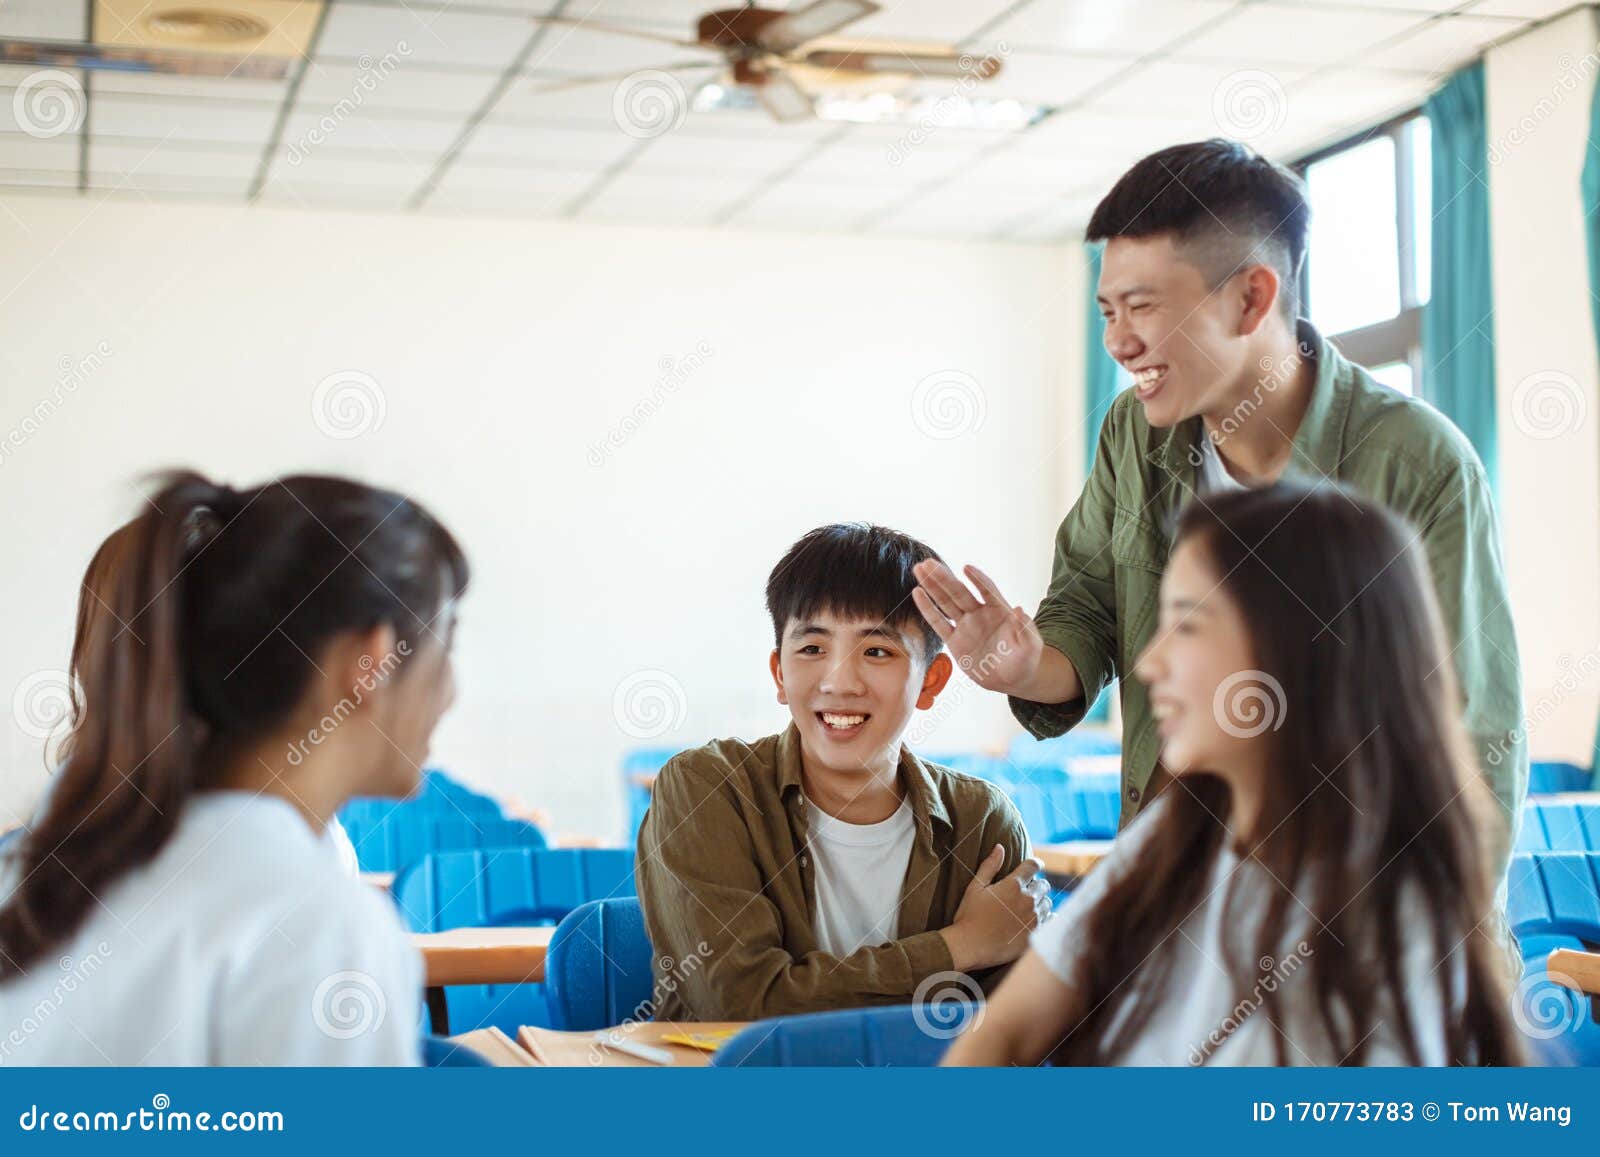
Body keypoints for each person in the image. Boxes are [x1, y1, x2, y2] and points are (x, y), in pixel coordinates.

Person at [914, 139, 1524, 872]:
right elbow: (1090, 609)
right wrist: (1024, 666)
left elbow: (1472, 737)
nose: (1118, 341)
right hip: (1180, 892)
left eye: (1142, 307)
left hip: (1352, 909)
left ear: (1251, 298)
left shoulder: (1415, 462)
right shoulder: (1134, 433)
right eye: (1107, 310)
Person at [943, 485, 1523, 1066]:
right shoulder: (1174, 835)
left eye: (1188, 626)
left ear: (1299, 645)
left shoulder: (1398, 924)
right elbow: (1002, 1037)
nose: (1148, 663)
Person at [0, 470, 467, 1064]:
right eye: (442, 644)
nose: (450, 693)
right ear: (369, 662)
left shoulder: (43, 870)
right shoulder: (321, 926)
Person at [636, 523, 1046, 1022]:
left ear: (930, 681)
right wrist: (960, 947)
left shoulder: (981, 821)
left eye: (877, 651)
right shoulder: (706, 787)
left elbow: (1014, 1029)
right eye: (812, 649)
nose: (839, 681)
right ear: (780, 674)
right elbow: (739, 1004)